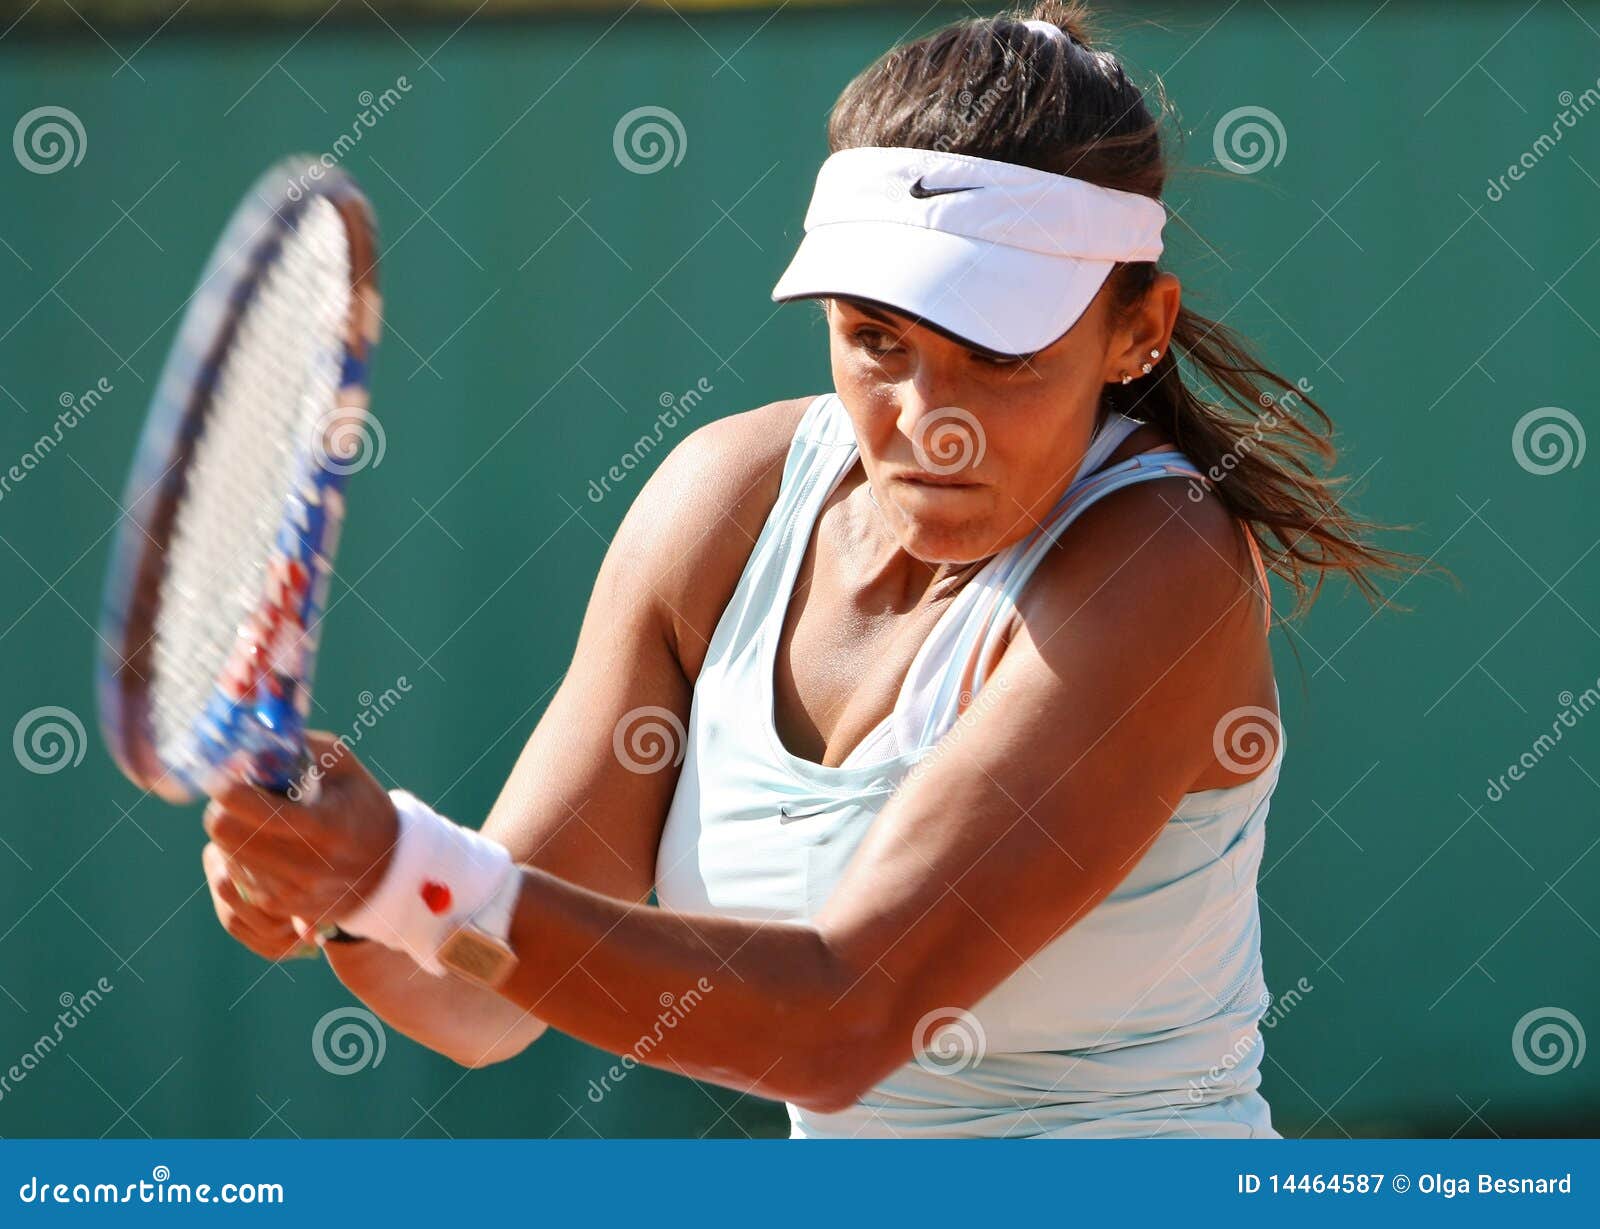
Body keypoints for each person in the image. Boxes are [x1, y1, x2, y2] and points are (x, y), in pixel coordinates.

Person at [201, 1, 1423, 1138]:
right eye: (874, 338)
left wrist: (405, 864)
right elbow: (479, 1000)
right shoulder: (719, 501)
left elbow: (844, 1020)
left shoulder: (1158, 566)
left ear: (1138, 331)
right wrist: (353, 894)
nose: (925, 419)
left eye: (1001, 356)